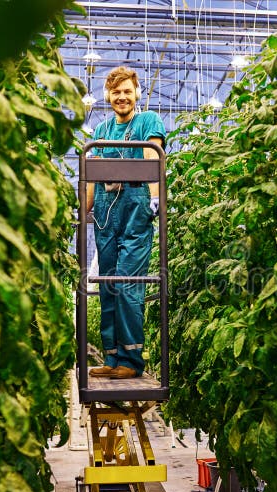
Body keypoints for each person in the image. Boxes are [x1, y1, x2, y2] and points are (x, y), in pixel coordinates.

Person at [85, 66, 166, 380]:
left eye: (127, 91)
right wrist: (82, 210)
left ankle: (131, 362)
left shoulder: (149, 121)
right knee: (107, 285)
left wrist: (156, 197)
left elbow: (152, 156)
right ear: (108, 95)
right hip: (105, 216)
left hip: (135, 211)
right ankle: (111, 357)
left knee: (127, 284)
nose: (121, 97)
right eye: (116, 92)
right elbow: (91, 176)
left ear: (137, 93)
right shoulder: (101, 130)